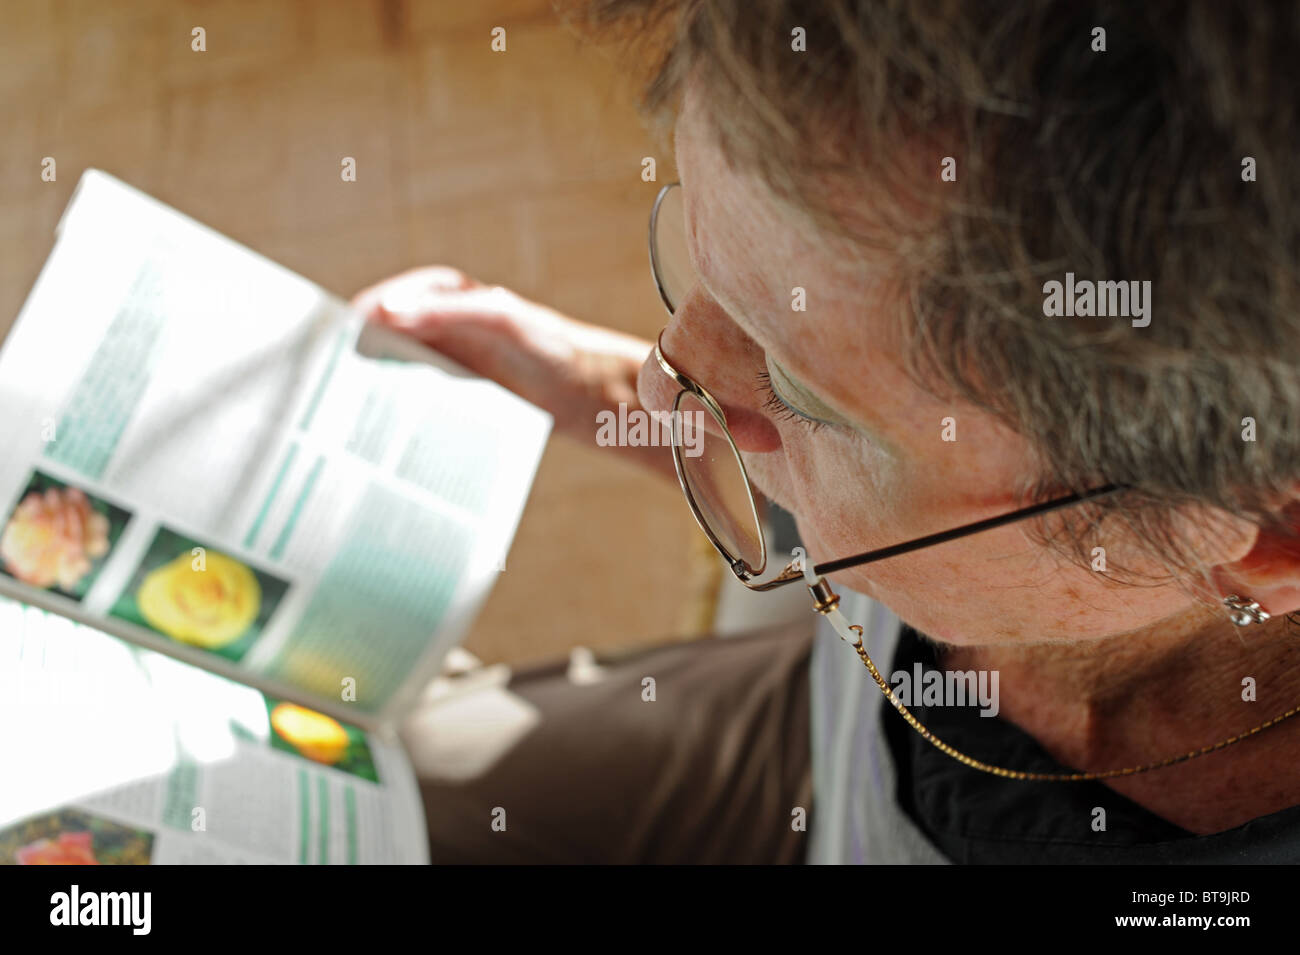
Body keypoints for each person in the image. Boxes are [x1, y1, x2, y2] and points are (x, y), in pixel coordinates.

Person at [351, 0, 1300, 863]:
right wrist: (571, 377)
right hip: (797, 728)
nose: (656, 377)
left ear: (1263, 537)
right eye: (708, 265)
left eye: (800, 385)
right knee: (386, 772)